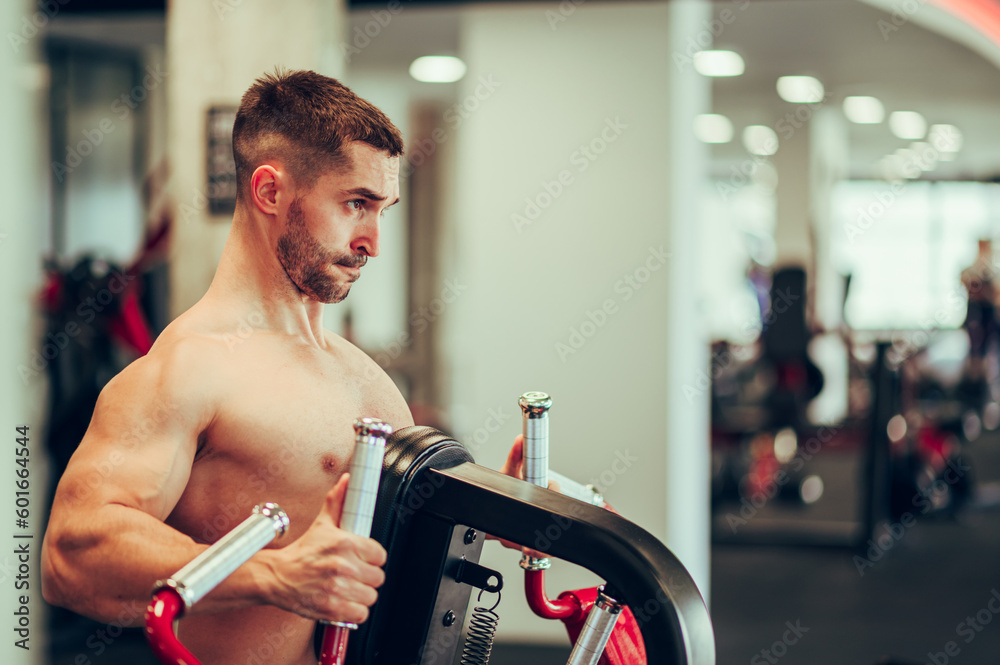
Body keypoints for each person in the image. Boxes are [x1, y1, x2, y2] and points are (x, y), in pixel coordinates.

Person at [41, 70, 534, 665]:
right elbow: (74, 554)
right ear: (270, 192)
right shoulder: (190, 367)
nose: (373, 241)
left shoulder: (363, 377)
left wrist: (505, 505)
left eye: (383, 210)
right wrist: (273, 575)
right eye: (356, 204)